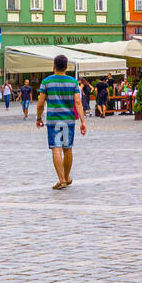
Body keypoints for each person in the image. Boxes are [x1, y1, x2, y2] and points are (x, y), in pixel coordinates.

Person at [37, 53, 86, 190]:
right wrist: (83, 121)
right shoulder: (73, 82)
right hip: (68, 121)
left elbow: (41, 103)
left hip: (53, 120)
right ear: (66, 67)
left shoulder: (46, 82)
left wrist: (38, 117)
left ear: (54, 66)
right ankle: (66, 177)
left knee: (56, 148)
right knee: (67, 148)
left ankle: (61, 179)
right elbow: (78, 102)